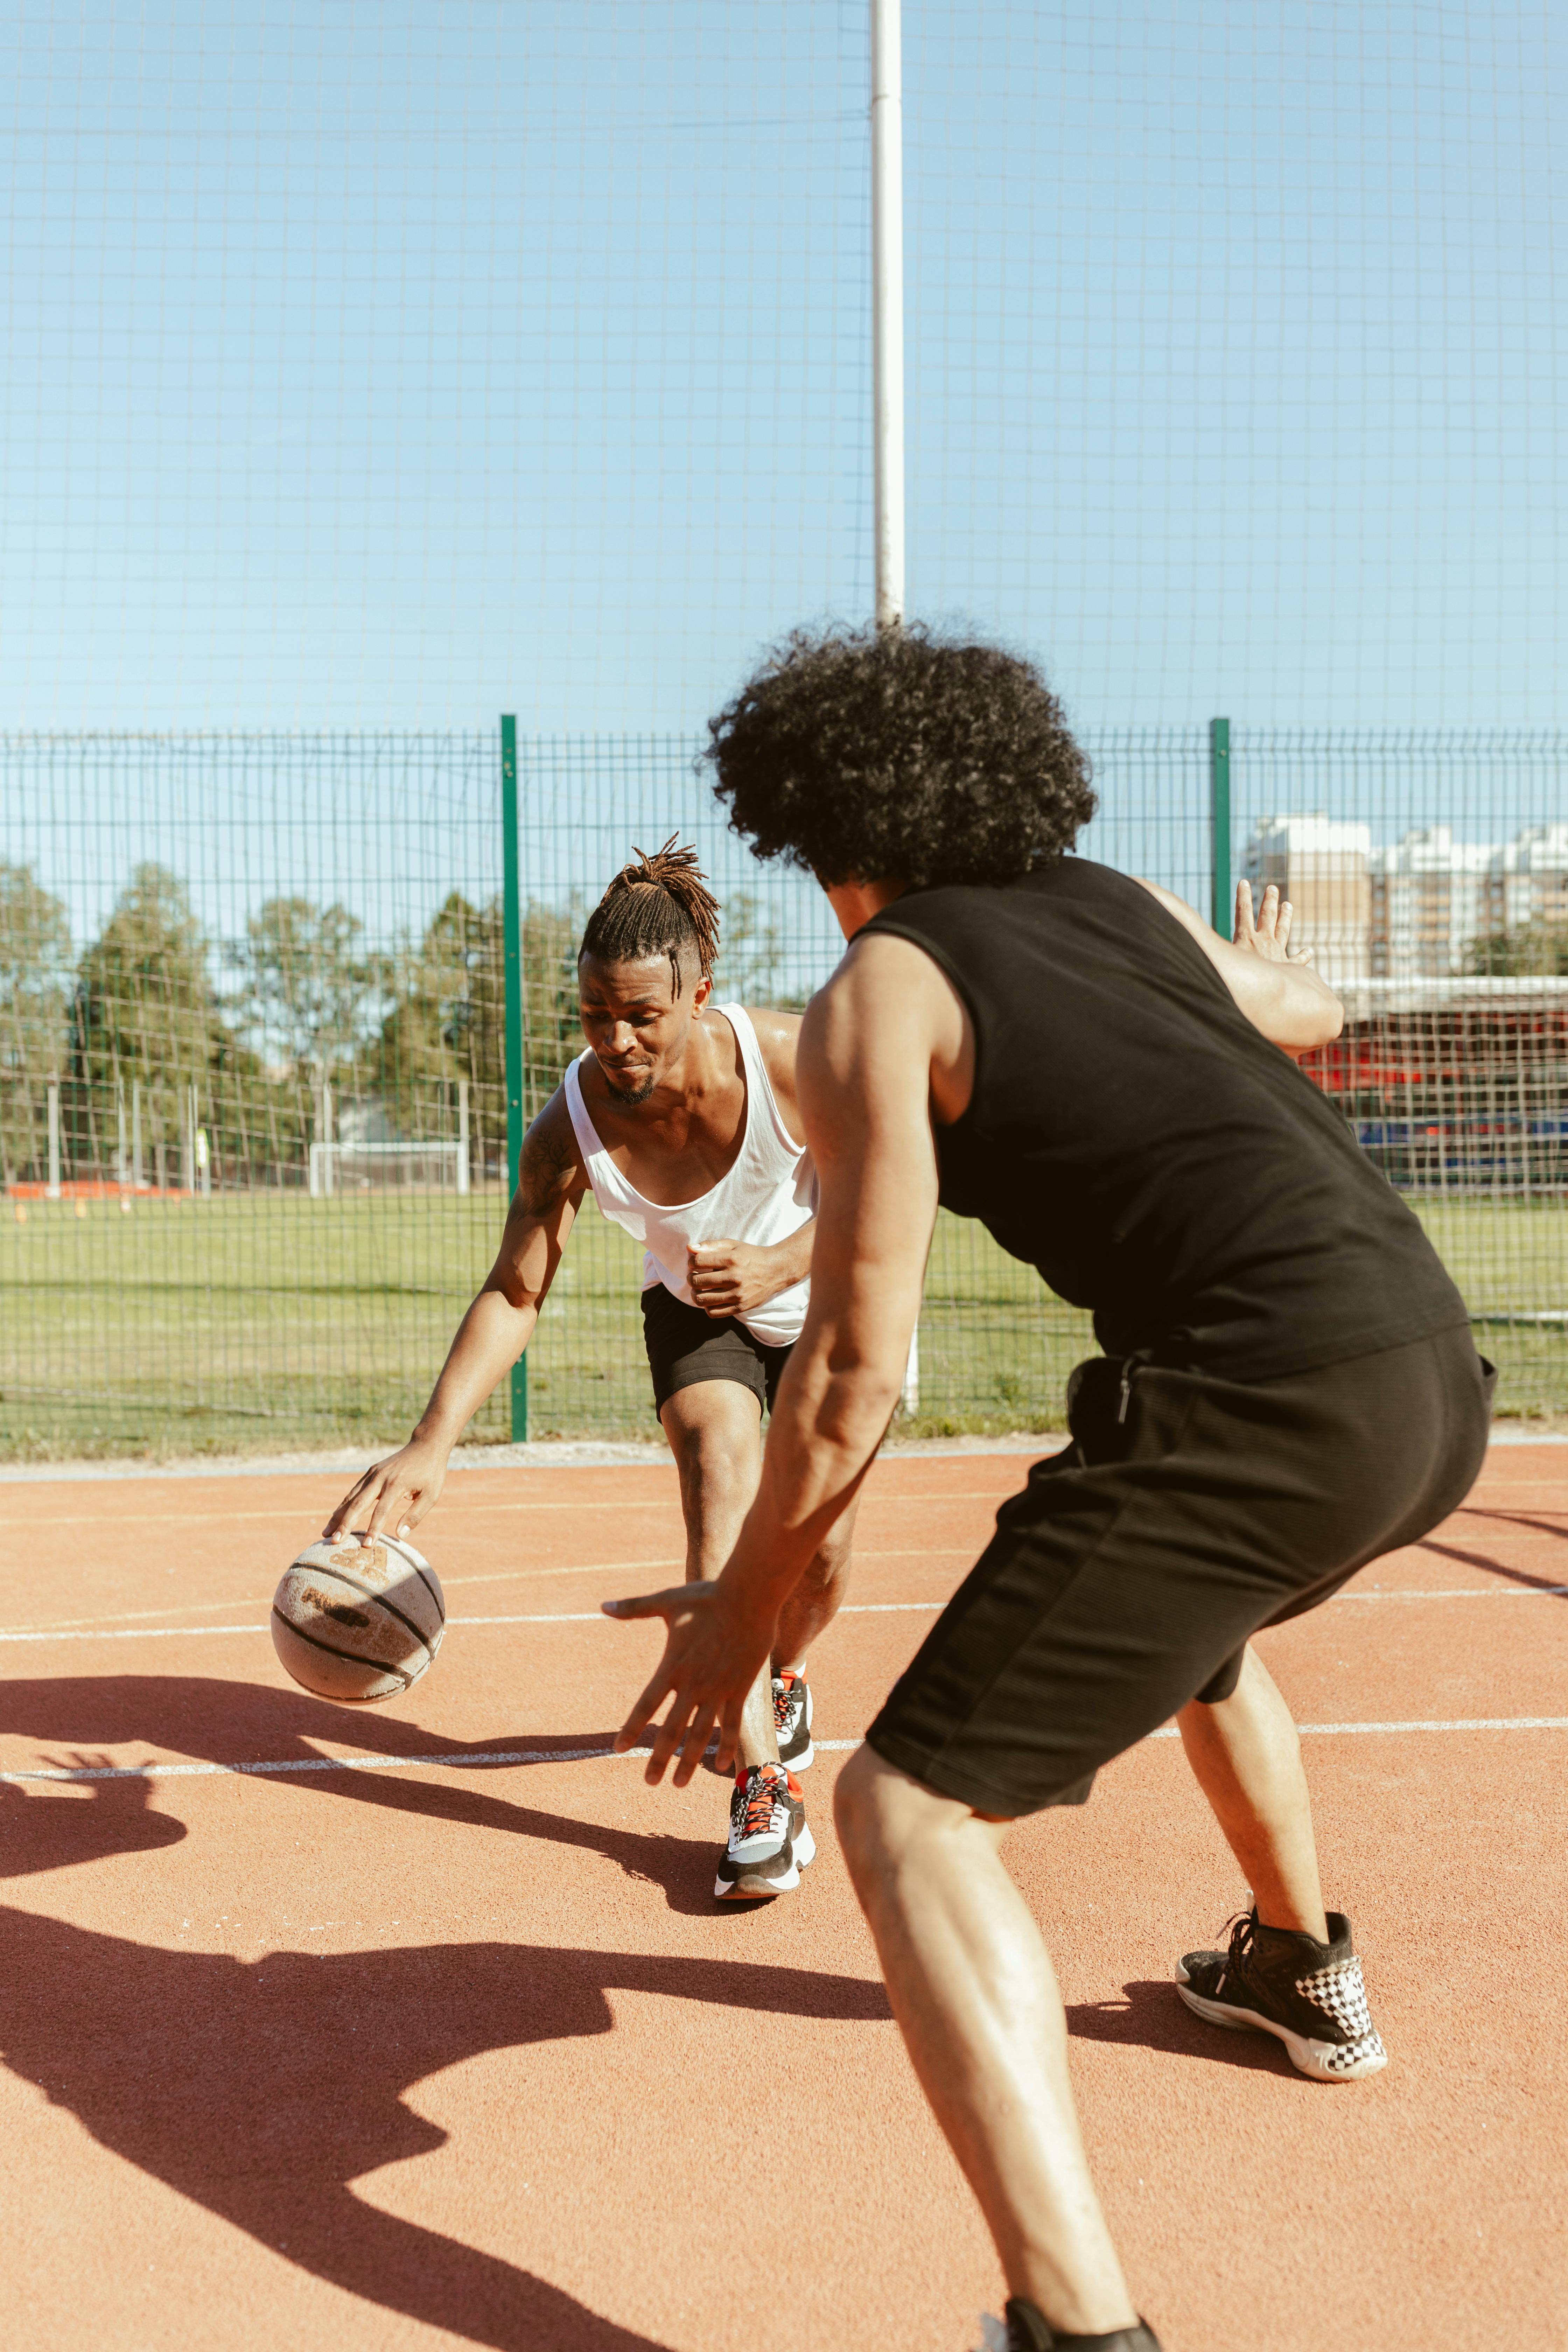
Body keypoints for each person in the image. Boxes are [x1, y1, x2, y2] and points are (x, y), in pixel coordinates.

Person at [605, 626, 1493, 2352]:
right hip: (1425, 1377)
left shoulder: (885, 993)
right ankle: (1294, 1960)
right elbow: (1303, 1007)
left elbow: (851, 1369)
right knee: (1189, 1625)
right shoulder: (1118, 898)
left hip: (1258, 1395)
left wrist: (739, 1615)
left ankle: (1077, 2330)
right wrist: (1249, 954)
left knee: (906, 1817)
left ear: (814, 822)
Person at [326, 838, 857, 1901]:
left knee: (822, 1560)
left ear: (701, 994)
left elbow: (889, 1194)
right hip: (693, 1314)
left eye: (642, 1016)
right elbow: (516, 1291)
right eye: (594, 1015)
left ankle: (785, 1671)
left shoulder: (792, 1063)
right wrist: (433, 1442)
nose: (615, 1040)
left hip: (830, 1304)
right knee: (719, 1480)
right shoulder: (565, 1128)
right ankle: (761, 1790)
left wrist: (781, 1263)